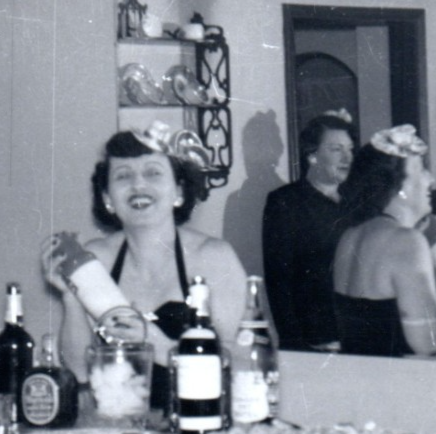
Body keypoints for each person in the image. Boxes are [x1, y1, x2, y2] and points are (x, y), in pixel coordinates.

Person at [42, 126, 247, 409]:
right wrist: (70, 296)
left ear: (179, 190)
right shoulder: (96, 258)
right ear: (107, 198)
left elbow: (235, 365)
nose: (138, 185)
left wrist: (152, 340)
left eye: (153, 173)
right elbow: (79, 370)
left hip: (199, 422)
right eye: (123, 176)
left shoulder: (214, 257)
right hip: (117, 426)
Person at [331, 126, 436, 357]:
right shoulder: (407, 242)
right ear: (401, 188)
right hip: (396, 385)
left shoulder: (351, 235)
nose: (431, 178)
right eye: (422, 169)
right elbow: (426, 343)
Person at [261, 112, 357, 350]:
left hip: (356, 335)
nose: (347, 157)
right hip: (314, 339)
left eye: (350, 149)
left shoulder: (357, 202)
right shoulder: (285, 202)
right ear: (312, 155)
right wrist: (294, 344)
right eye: (336, 149)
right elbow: (278, 282)